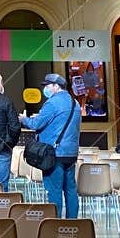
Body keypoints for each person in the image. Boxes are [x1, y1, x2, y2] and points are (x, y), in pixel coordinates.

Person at [21, 72, 82, 218]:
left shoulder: (52, 103)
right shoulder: (75, 103)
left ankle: (55, 223)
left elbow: (36, 124)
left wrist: (24, 119)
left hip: (54, 154)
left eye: (47, 86)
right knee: (70, 190)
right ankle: (73, 222)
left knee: (54, 191)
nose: (45, 89)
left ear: (56, 86)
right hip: (71, 153)